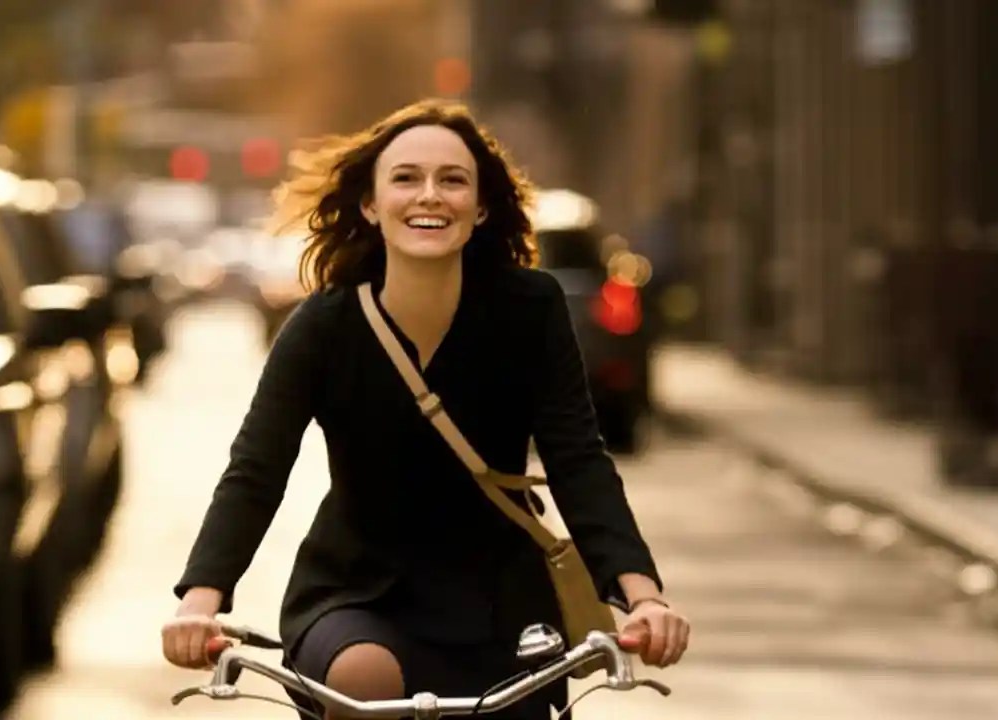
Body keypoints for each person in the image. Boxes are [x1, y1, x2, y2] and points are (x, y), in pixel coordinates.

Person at [161, 99, 690, 719]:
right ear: (370, 204)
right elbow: (256, 469)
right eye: (406, 178)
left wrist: (644, 597)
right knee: (364, 677)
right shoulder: (323, 327)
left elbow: (578, 461)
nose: (429, 196)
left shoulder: (529, 310)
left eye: (453, 179)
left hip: (503, 608)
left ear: (481, 205)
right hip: (356, 597)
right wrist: (200, 602)